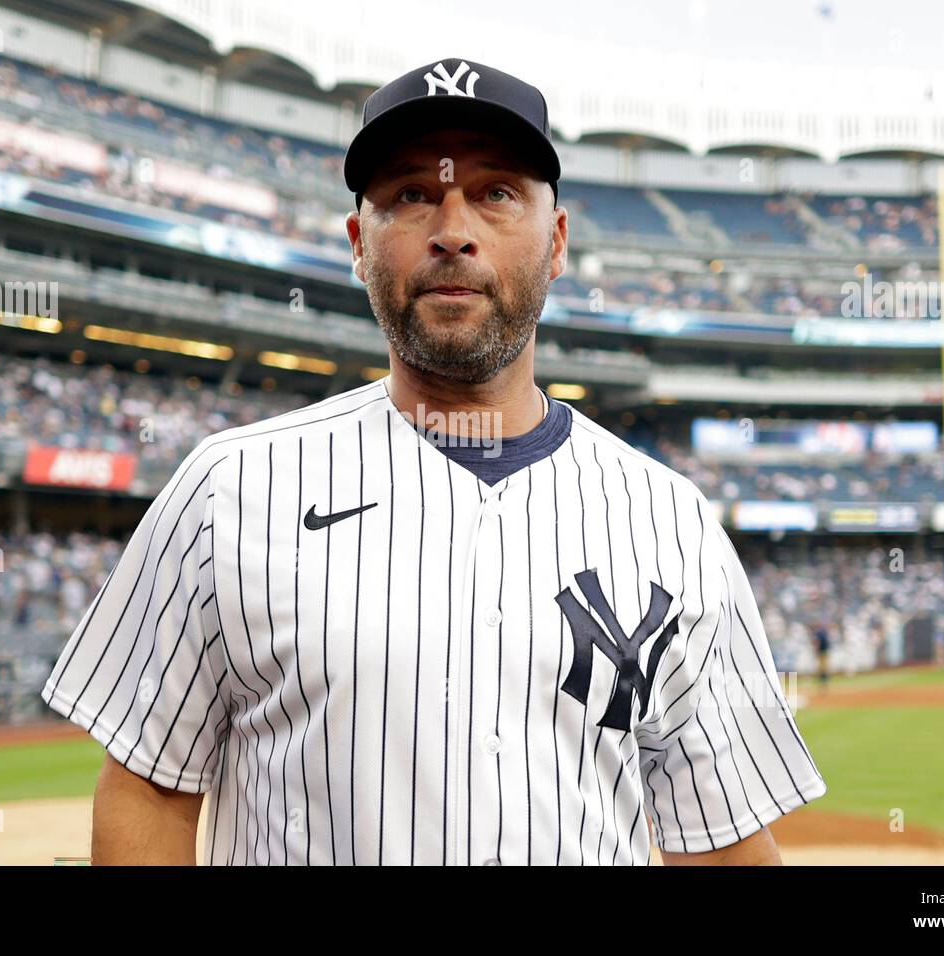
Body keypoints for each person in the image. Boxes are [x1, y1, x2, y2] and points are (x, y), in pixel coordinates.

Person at [42, 58, 825, 866]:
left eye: (496, 193)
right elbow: (149, 791)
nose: (453, 228)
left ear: (556, 243)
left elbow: (721, 841)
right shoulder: (228, 490)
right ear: (358, 243)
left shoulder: (672, 522)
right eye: (412, 194)